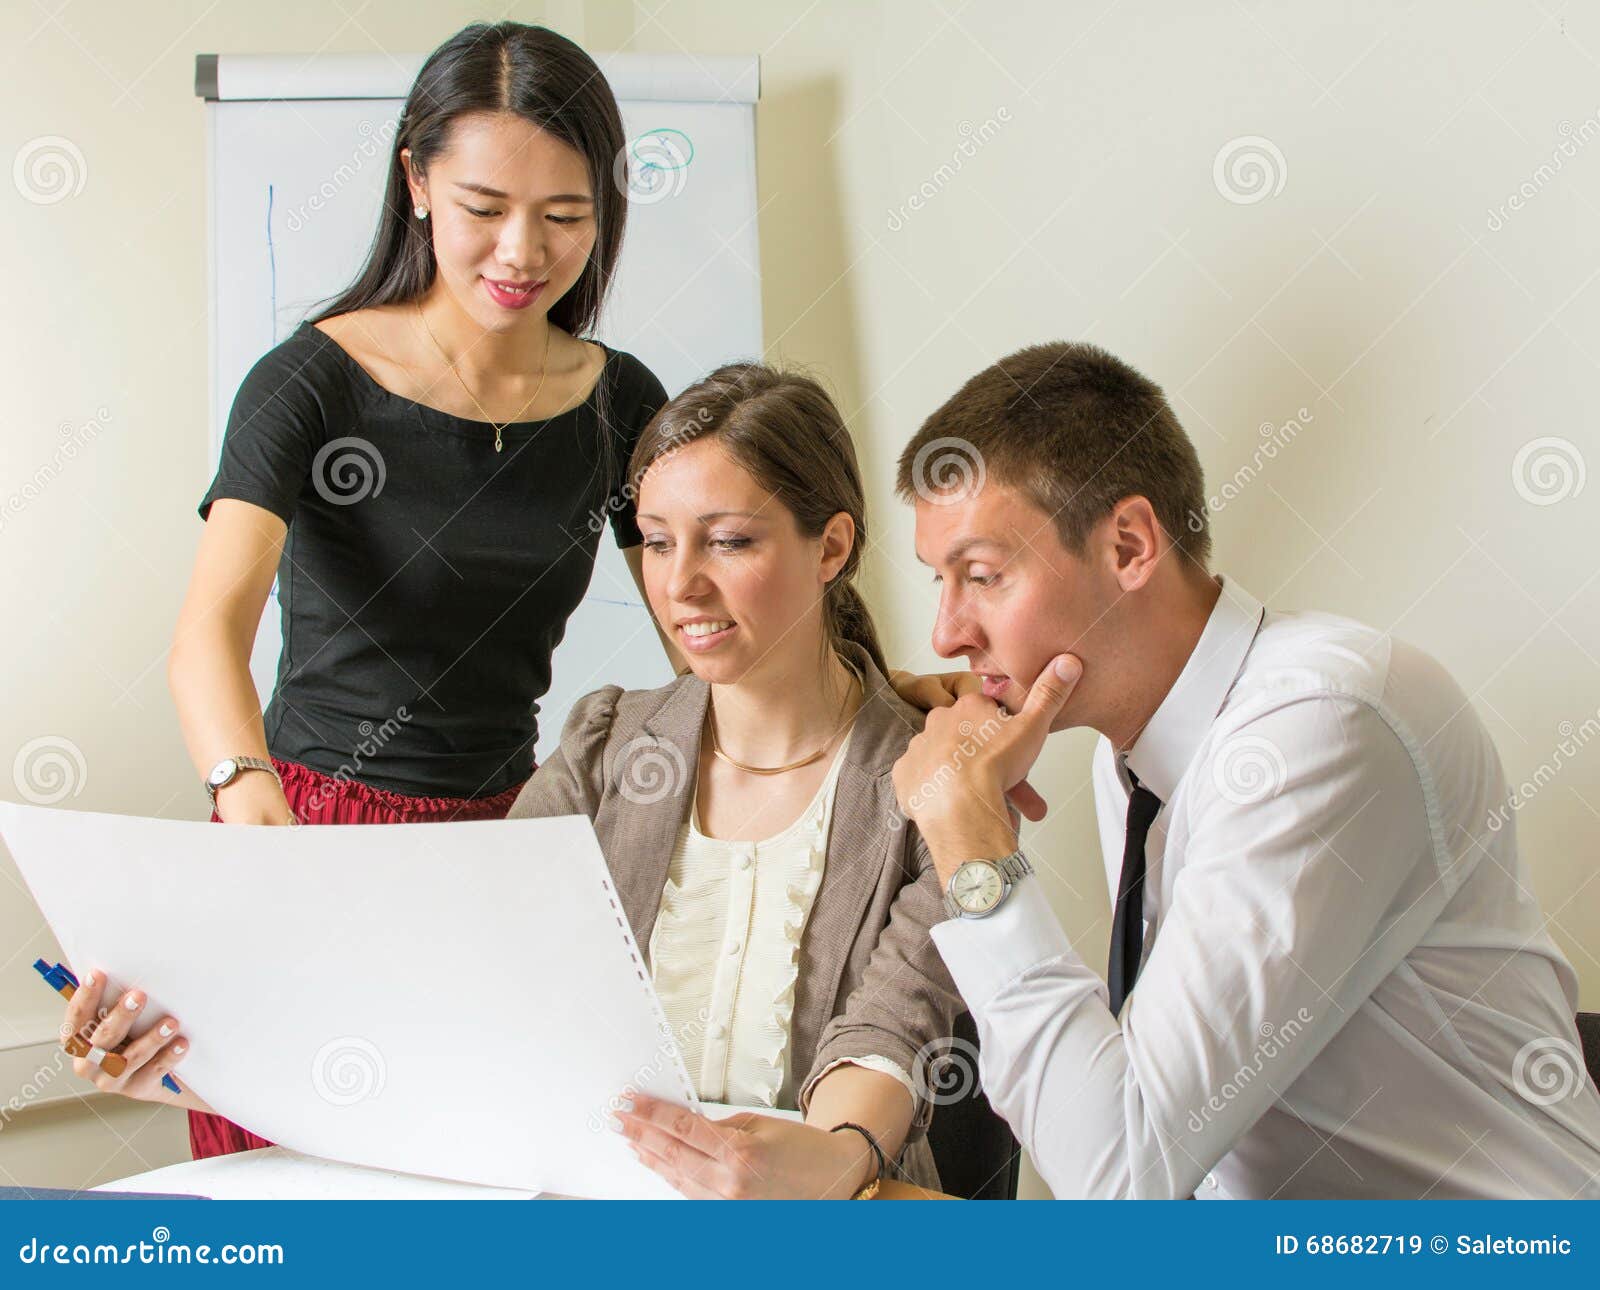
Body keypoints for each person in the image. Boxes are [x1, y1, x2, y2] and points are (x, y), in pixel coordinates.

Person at [62, 363, 964, 1199]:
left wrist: (836, 1157)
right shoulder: (608, 745)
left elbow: (890, 1029)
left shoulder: (940, 779)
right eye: (654, 543)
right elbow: (458, 981)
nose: (681, 584)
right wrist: (191, 1051)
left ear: (832, 546)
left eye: (728, 541)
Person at [890, 340, 1600, 1199]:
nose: (947, 634)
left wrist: (973, 848)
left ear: (1128, 545)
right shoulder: (1132, 766)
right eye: (940, 582)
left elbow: (1123, 1176)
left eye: (984, 576)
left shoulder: (1323, 724)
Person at [169, 22, 675, 1159]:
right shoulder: (310, 382)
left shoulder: (619, 401)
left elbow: (711, 628)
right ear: (415, 182)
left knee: (475, 1182)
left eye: (564, 216)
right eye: (484, 207)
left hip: (506, 844)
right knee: (293, 1188)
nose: (521, 251)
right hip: (308, 826)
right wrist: (243, 788)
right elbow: (207, 630)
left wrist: (860, 687)